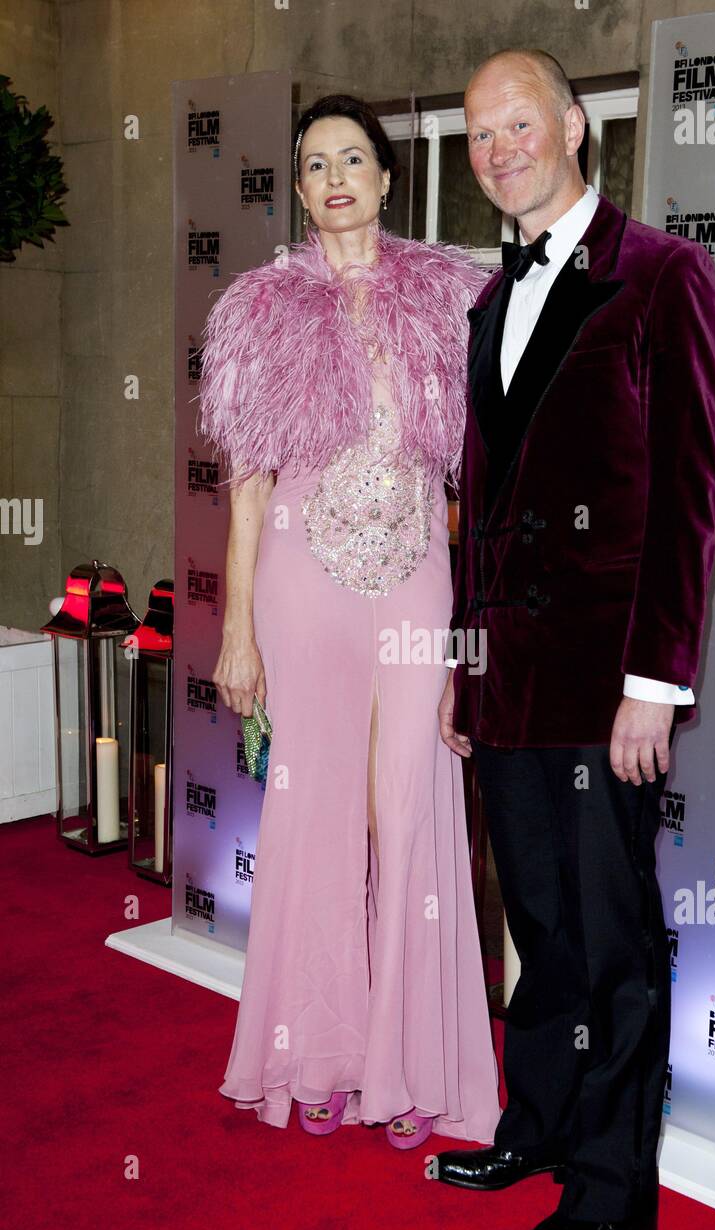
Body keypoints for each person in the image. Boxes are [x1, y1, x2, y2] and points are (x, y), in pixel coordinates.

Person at [435, 49, 715, 1230]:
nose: (498, 149)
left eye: (519, 123)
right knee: (544, 929)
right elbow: (480, 506)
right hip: (504, 679)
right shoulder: (483, 302)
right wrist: (462, 666)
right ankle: (538, 1126)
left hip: (607, 680)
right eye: (477, 134)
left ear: (571, 126)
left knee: (612, 942)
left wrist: (653, 684)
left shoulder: (664, 275)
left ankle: (610, 1188)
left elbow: (689, 498)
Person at [197, 94, 500, 1152]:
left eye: (353, 159)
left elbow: (483, 479)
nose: (334, 179)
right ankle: (316, 1050)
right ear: (302, 186)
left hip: (415, 579)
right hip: (300, 580)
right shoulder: (259, 308)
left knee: (407, 811)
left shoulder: (454, 299)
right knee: (314, 812)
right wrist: (236, 630)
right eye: (314, 163)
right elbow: (242, 487)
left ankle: (405, 1060)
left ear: (384, 177)